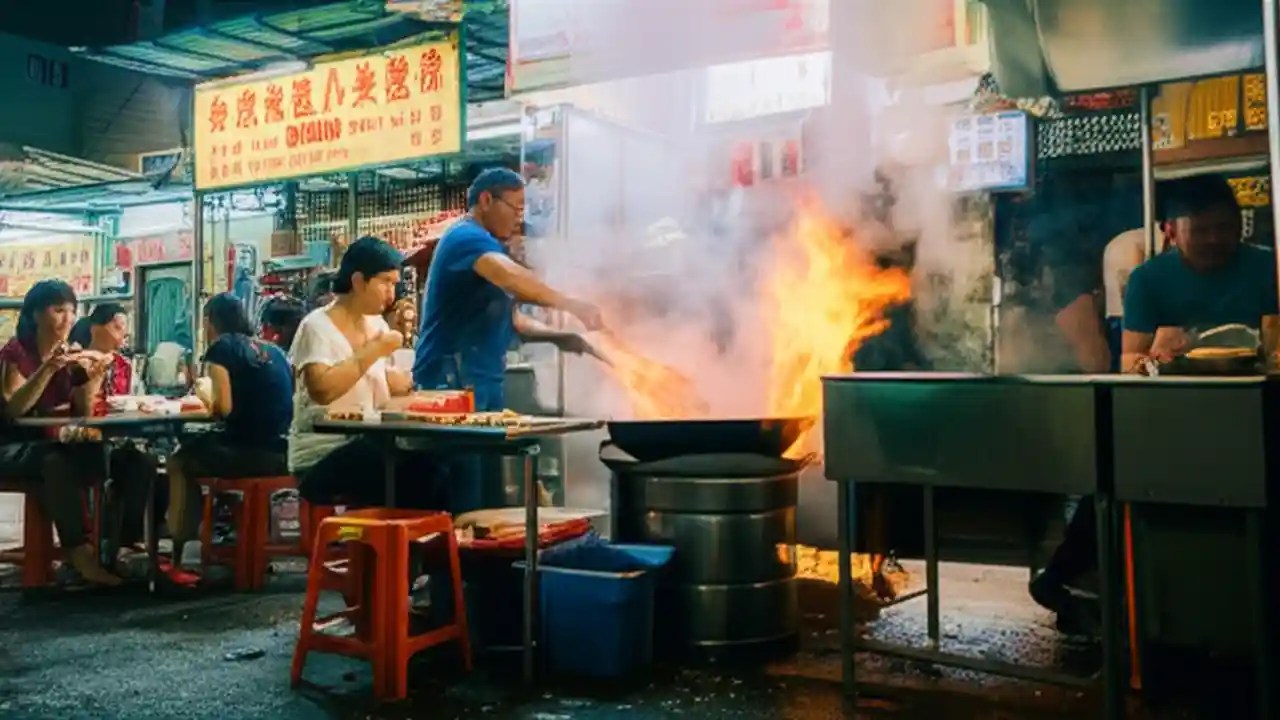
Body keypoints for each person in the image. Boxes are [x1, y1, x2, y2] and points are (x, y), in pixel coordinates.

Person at [413, 167, 605, 412]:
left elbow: (513, 319)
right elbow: (510, 277)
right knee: (464, 449)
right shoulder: (465, 237)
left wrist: (561, 337)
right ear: (486, 201)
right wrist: (572, 305)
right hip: (450, 381)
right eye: (516, 208)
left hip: (481, 379)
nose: (519, 219)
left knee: (485, 448)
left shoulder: (487, 245)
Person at [0, 280, 151, 586]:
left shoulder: (73, 352)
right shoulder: (16, 352)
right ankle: (79, 553)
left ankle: (121, 547)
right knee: (55, 461)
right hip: (14, 449)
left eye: (71, 311)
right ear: (34, 315)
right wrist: (48, 369)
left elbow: (83, 411)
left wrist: (92, 376)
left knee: (135, 460)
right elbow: (13, 408)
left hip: (57, 442)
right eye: (58, 310)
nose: (68, 319)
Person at [289, 236, 436, 507]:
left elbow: (378, 390)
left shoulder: (377, 324)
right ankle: (385, 545)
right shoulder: (317, 326)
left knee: (431, 463)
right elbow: (323, 390)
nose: (392, 294)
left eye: (394, 284)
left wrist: (399, 384)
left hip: (366, 442)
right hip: (321, 453)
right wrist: (375, 350)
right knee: (395, 467)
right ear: (358, 281)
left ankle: (415, 545)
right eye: (385, 283)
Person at [165, 293, 293, 581]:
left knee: (179, 461)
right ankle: (241, 541)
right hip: (282, 453)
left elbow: (223, 407)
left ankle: (178, 551)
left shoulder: (222, 348)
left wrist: (202, 394)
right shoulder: (273, 351)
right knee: (203, 452)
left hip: (246, 454)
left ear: (210, 321)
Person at [1121, 173, 1278, 370]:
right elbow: (1128, 361)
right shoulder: (1147, 280)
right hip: (1179, 393)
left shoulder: (1269, 267)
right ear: (1171, 231)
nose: (1213, 239)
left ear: (1239, 225)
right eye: (1200, 231)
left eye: (1224, 227)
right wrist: (1154, 361)